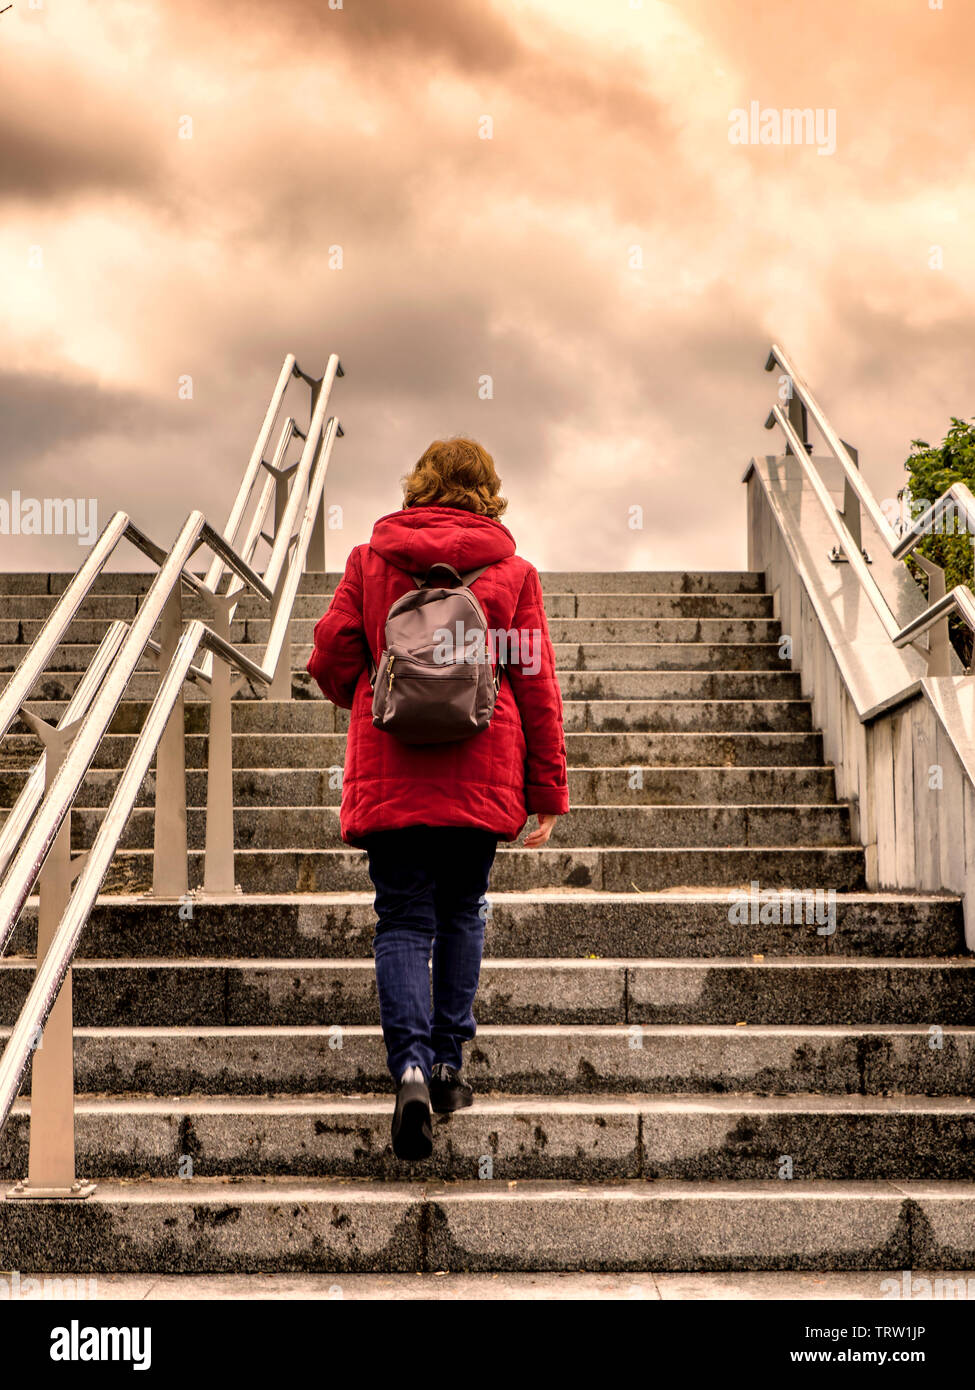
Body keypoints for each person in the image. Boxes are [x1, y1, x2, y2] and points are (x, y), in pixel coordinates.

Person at [307, 437, 569, 1160]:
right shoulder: (512, 573)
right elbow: (534, 684)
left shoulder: (368, 560)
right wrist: (545, 786)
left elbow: (330, 656)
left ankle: (412, 1069)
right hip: (480, 765)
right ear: (489, 490)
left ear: (417, 484)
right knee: (461, 910)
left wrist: (360, 696)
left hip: (390, 765)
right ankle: (451, 1063)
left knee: (401, 919)